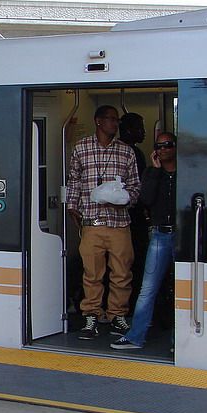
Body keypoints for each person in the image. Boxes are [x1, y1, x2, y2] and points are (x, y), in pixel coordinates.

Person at [67, 105, 141, 340]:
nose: (116, 124)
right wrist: (72, 207)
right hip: (92, 221)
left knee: (122, 272)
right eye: (111, 120)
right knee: (92, 273)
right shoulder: (82, 147)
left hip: (119, 222)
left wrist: (125, 199)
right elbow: (74, 180)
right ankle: (91, 316)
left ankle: (117, 315)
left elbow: (136, 186)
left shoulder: (126, 151)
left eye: (117, 120)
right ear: (98, 121)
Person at [111, 132, 177, 350]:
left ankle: (180, 342)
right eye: (159, 146)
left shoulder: (187, 173)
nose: (164, 149)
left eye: (168, 145)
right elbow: (145, 200)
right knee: (148, 288)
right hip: (160, 235)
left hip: (183, 236)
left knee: (183, 288)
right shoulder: (151, 172)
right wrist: (156, 171)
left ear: (176, 147)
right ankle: (135, 337)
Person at [119, 112, 149, 311]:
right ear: (129, 130)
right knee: (133, 262)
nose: (144, 132)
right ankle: (130, 305)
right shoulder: (132, 153)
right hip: (130, 216)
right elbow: (140, 187)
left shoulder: (130, 151)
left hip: (129, 214)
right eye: (140, 128)